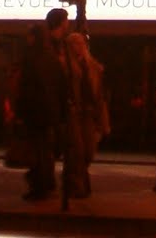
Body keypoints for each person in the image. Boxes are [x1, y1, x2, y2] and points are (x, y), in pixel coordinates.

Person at [15, 7, 70, 201]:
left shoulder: (32, 58)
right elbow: (61, 85)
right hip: (50, 112)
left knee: (37, 151)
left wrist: (20, 111)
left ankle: (39, 186)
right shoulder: (52, 57)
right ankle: (47, 183)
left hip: (35, 111)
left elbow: (27, 87)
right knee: (45, 150)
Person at [63, 28, 107, 199]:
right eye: (74, 44)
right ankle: (77, 184)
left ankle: (77, 180)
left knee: (89, 150)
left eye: (80, 43)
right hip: (74, 112)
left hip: (89, 113)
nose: (78, 47)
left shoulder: (93, 67)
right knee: (78, 150)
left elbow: (99, 95)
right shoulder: (66, 66)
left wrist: (102, 120)